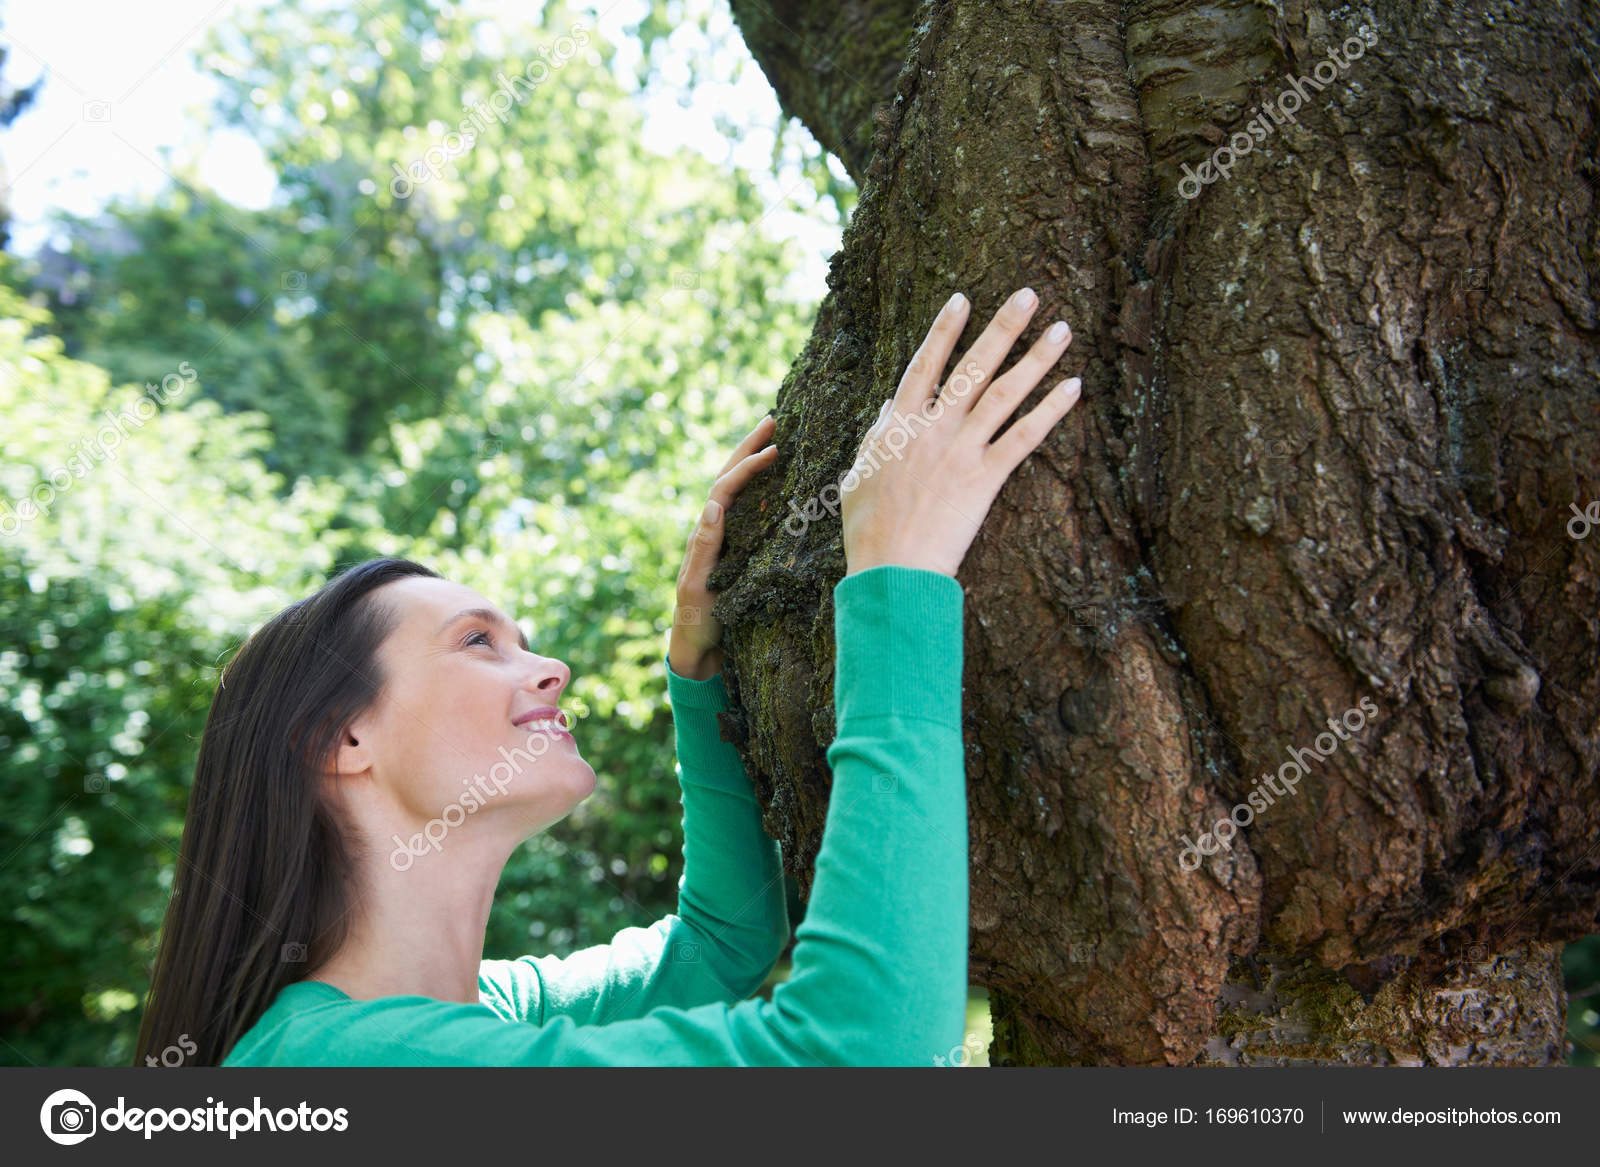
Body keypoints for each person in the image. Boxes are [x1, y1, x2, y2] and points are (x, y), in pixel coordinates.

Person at [134, 286, 1081, 1066]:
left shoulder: (473, 1011)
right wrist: (896, 576)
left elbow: (721, 944)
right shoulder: (340, 1061)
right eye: (477, 641)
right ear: (342, 738)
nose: (551, 668)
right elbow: (857, 1048)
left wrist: (698, 675)